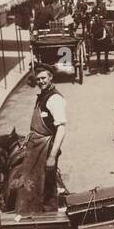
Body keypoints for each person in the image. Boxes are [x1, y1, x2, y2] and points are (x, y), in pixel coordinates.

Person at [30, 66, 69, 207]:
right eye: (38, 79)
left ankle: (50, 215)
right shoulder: (43, 95)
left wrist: (52, 157)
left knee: (48, 186)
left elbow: (61, 129)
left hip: (48, 149)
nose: (40, 81)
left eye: (43, 78)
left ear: (50, 77)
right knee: (39, 182)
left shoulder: (55, 99)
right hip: (38, 146)